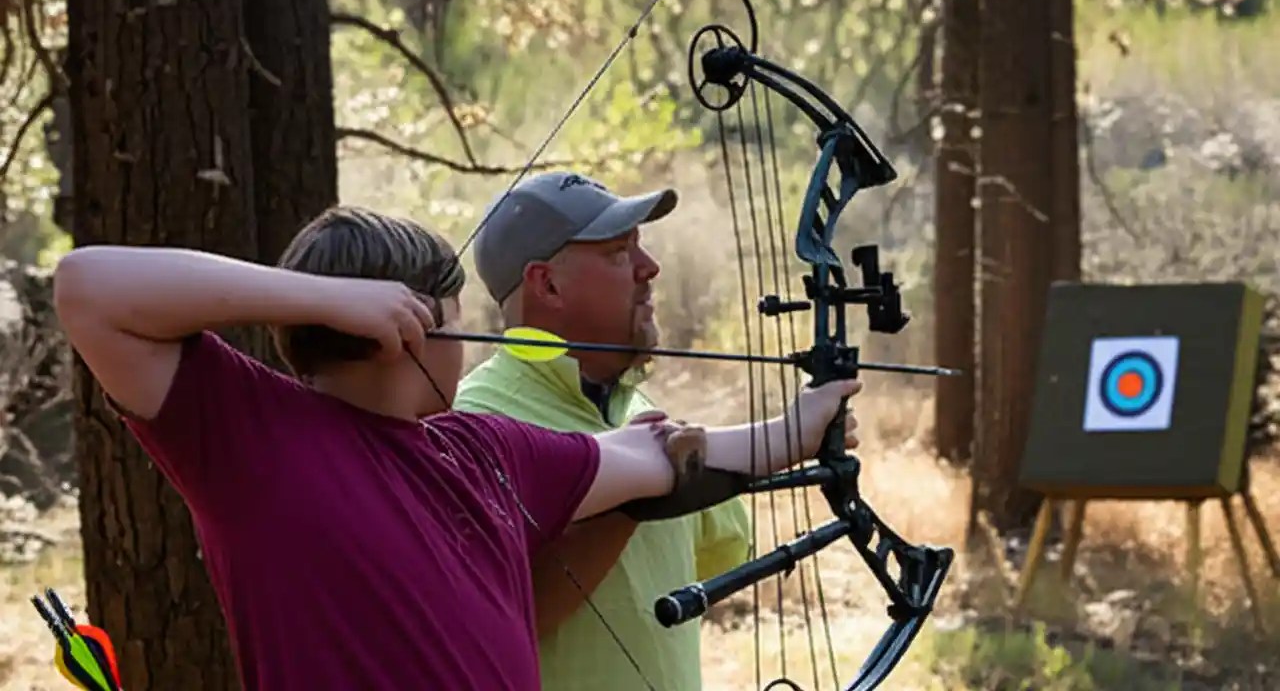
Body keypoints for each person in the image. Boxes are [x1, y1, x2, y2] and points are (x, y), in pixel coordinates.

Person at [51, 205, 861, 691]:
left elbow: (655, 461)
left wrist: (804, 425)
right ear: (406, 323)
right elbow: (88, 288)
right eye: (457, 317)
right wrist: (319, 295)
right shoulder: (253, 441)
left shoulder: (482, 450)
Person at [455, 171, 822, 690]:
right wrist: (641, 489)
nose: (650, 268)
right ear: (548, 284)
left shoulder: (635, 407)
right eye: (619, 253)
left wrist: (803, 429)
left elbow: (725, 544)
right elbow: (505, 613)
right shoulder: (477, 422)